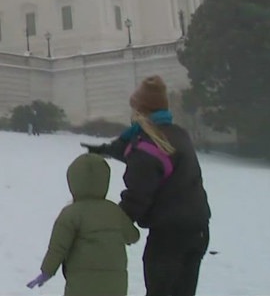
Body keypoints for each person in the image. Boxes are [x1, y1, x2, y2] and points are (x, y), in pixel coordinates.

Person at [82, 75, 212, 296]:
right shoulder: (177, 135)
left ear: (140, 111)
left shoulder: (147, 147)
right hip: (198, 231)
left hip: (168, 238)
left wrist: (113, 228)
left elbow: (136, 197)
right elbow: (137, 153)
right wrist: (106, 149)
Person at [26, 153, 140, 295]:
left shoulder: (70, 214)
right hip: (115, 285)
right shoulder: (114, 211)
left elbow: (58, 247)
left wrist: (47, 272)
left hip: (81, 286)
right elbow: (133, 236)